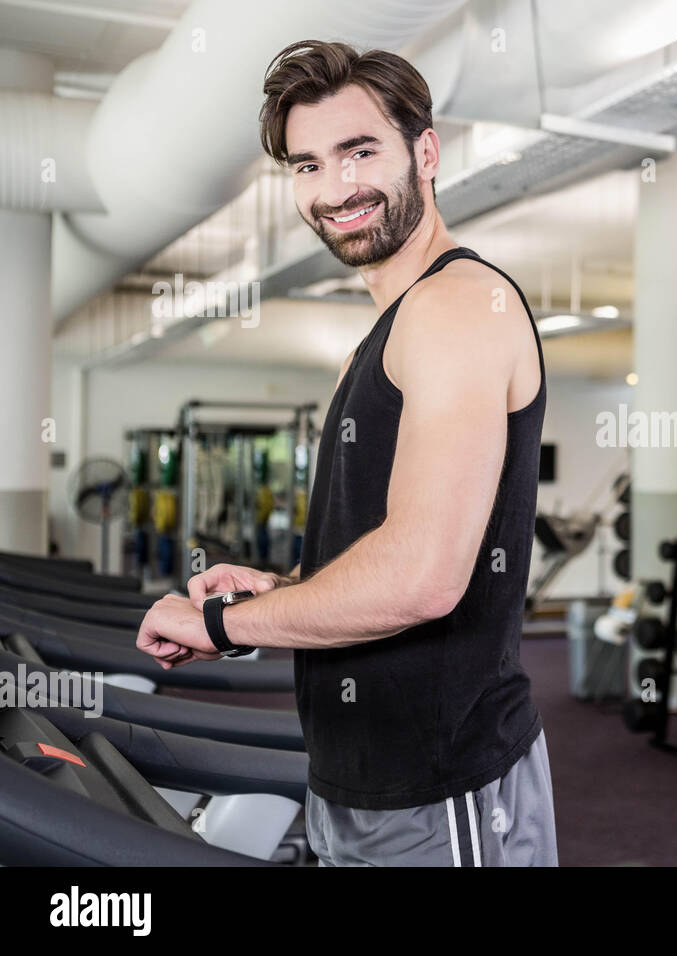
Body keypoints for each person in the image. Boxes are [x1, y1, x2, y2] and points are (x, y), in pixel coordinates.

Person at [134, 39, 556, 867]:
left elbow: (423, 578)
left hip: (443, 789)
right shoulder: (389, 332)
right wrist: (287, 590)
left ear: (425, 153)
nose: (336, 189)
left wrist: (224, 623)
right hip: (359, 778)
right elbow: (385, 549)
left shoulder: (460, 307)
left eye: (360, 153)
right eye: (308, 166)